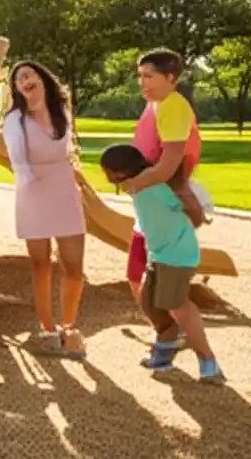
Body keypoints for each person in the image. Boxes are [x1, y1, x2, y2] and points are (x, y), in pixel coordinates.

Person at [100, 144, 225, 384]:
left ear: (122, 169)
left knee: (176, 305)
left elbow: (187, 203)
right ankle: (167, 345)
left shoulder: (156, 187)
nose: (107, 177)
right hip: (158, 254)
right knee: (148, 301)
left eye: (108, 171)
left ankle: (208, 361)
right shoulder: (138, 186)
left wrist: (196, 216)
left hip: (178, 254)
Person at [122, 49, 208, 354]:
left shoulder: (173, 108)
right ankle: (167, 336)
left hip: (163, 205)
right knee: (139, 278)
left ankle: (177, 339)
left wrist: (131, 182)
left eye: (149, 76)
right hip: (151, 204)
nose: (142, 82)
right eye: (140, 76)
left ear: (170, 78)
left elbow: (168, 166)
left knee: (151, 283)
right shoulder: (156, 106)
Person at [1, 60, 87, 358]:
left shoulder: (62, 111)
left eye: (29, 74)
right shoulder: (15, 119)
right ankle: (47, 328)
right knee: (41, 264)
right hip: (32, 189)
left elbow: (68, 151)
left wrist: (77, 179)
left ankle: (68, 325)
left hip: (62, 186)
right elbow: (16, 155)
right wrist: (25, 177)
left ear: (41, 80)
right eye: (19, 79)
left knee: (74, 267)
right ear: (17, 90)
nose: (24, 80)